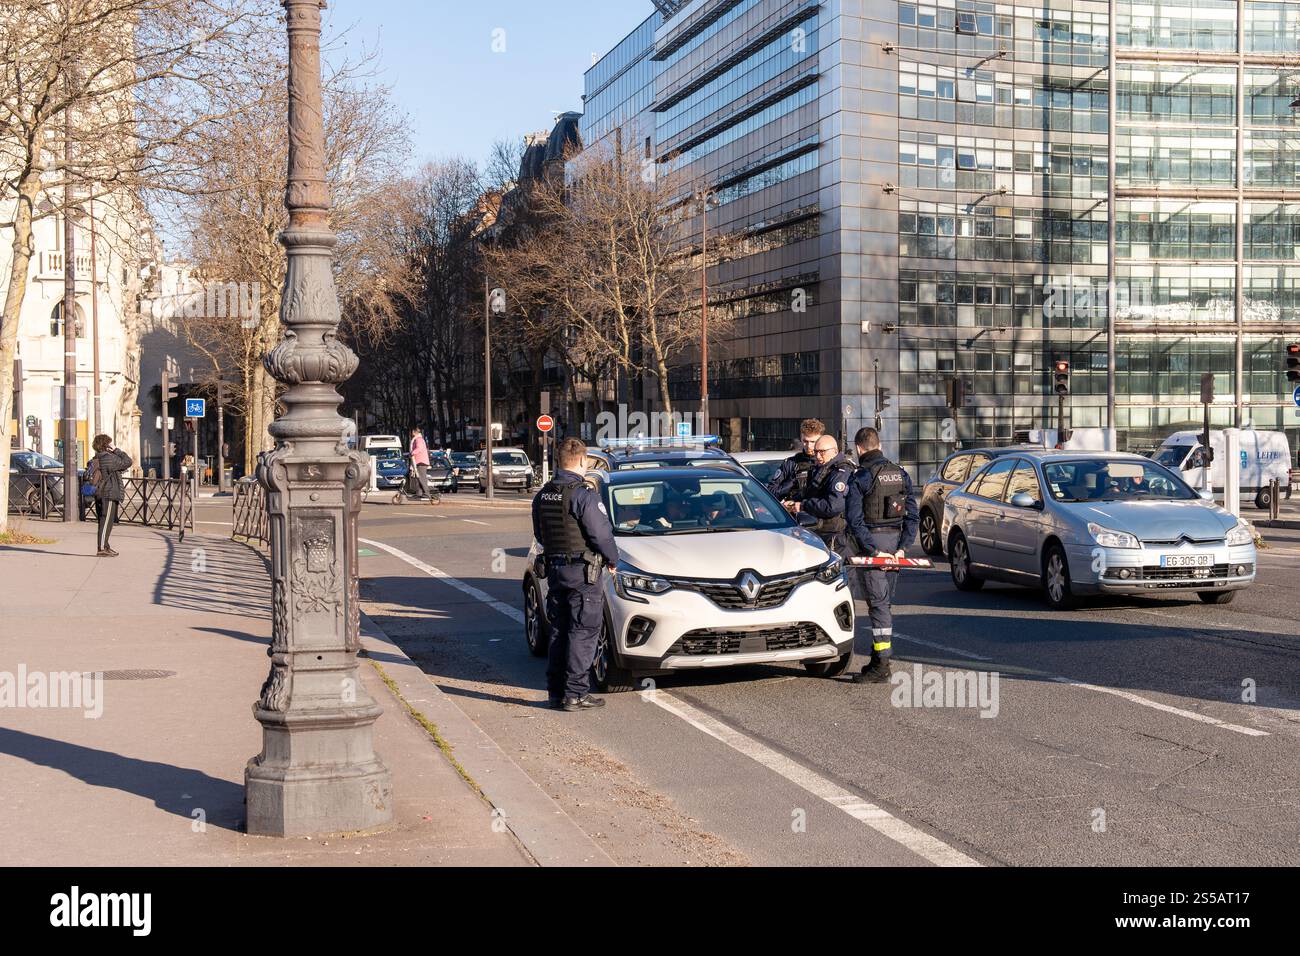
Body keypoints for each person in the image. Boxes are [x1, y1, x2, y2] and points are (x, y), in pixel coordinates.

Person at [532, 437, 621, 712]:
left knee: (559, 631)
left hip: (556, 572)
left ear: (559, 460)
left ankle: (556, 693)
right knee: (582, 632)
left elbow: (540, 535)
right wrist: (612, 559)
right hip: (583, 574)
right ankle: (576, 694)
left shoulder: (543, 495)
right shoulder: (583, 495)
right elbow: (601, 534)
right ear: (582, 461)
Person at [844, 427, 918, 684]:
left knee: (878, 605)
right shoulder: (900, 473)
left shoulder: (861, 476)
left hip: (873, 546)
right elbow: (912, 515)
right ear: (880, 445)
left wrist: (871, 550)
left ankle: (882, 665)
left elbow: (853, 519)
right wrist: (902, 548)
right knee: (884, 603)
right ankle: (878, 659)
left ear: (859, 448)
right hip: (894, 546)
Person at [787, 435, 854, 555]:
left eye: (822, 452)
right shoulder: (822, 468)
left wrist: (803, 506)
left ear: (834, 451)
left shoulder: (841, 472)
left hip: (835, 536)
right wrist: (793, 501)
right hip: (819, 532)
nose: (817, 456)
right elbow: (811, 491)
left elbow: (832, 506)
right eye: (816, 452)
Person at [88, 434, 133, 557]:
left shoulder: (96, 458)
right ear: (106, 445)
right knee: (106, 521)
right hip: (108, 493)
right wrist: (116, 449)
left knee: (104, 521)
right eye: (109, 443)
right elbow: (128, 461)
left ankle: (105, 546)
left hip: (99, 493)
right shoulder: (109, 458)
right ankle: (102, 548)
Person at [766, 418, 826, 505]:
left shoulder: (828, 463)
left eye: (813, 442)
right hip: (795, 513)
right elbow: (771, 492)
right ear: (801, 439)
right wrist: (791, 483)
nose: (809, 446)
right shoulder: (791, 463)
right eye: (805, 441)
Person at [409, 427, 430, 499]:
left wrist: (412, 453)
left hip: (421, 461)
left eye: (412, 432)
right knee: (418, 478)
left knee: (422, 478)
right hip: (419, 461)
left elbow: (419, 448)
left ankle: (426, 493)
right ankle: (419, 493)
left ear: (415, 432)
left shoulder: (419, 440)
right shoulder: (417, 439)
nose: (411, 433)